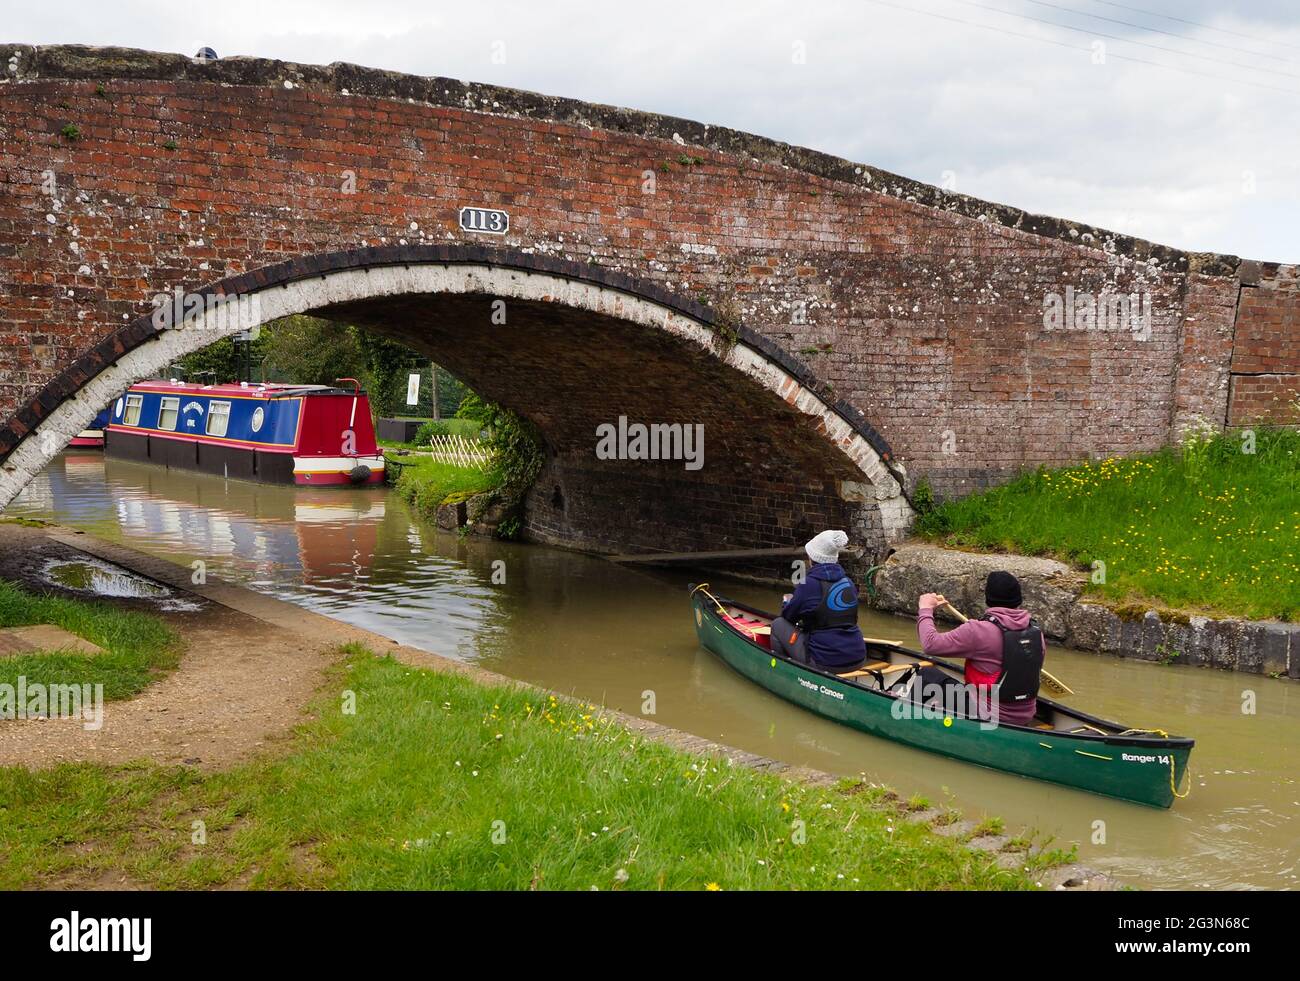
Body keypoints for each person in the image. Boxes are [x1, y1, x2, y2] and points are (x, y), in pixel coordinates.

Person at [913, 571, 1045, 727]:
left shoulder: (977, 631)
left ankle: (910, 724)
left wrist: (926, 609)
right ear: (1019, 599)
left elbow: (930, 644)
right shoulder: (1036, 632)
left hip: (989, 714)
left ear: (988, 598)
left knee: (927, 674)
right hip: (1024, 716)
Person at [768, 530, 866, 673]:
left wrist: (787, 602)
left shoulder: (808, 584)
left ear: (811, 558)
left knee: (778, 624)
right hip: (858, 658)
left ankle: (783, 672)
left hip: (825, 662)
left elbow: (789, 616)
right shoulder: (848, 583)